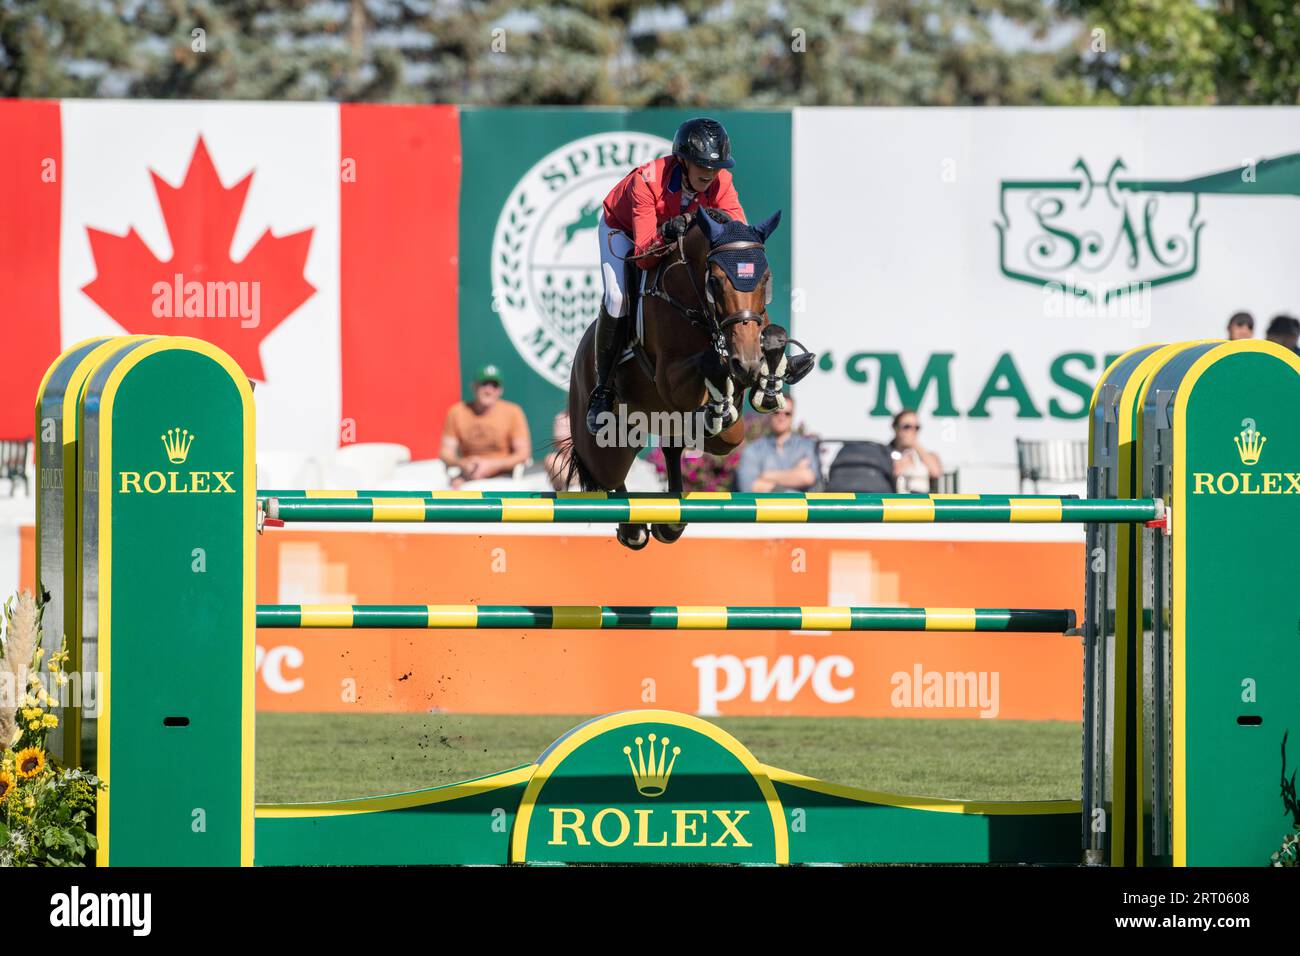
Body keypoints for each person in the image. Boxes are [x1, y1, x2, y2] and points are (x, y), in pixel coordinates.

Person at [586, 117, 748, 434]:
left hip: (670, 232)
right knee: (617, 297)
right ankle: (602, 391)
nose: (710, 173)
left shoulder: (722, 182)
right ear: (683, 160)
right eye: (701, 165)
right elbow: (644, 258)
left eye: (716, 166)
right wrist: (668, 232)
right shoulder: (646, 181)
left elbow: (736, 235)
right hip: (624, 230)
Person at [440, 364, 531, 489]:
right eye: (484, 384)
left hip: (502, 475)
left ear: (500, 390)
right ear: (474, 387)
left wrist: (492, 465)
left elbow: (523, 453)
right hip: (468, 474)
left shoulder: (513, 412)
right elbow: (446, 452)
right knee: (453, 492)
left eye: (494, 386)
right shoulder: (457, 412)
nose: (489, 390)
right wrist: (463, 463)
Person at [735, 396, 819, 493]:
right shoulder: (752, 450)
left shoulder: (807, 446)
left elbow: (808, 477)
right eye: (777, 412)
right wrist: (788, 484)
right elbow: (748, 486)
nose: (781, 417)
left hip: (801, 508)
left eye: (787, 413)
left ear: (793, 415)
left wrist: (765, 476)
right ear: (770, 414)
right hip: (764, 507)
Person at [890, 409, 943, 493]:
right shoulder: (887, 452)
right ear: (896, 428)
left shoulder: (924, 453)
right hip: (898, 500)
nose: (912, 431)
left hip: (923, 500)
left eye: (916, 427)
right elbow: (891, 474)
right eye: (907, 427)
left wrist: (915, 445)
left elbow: (936, 472)